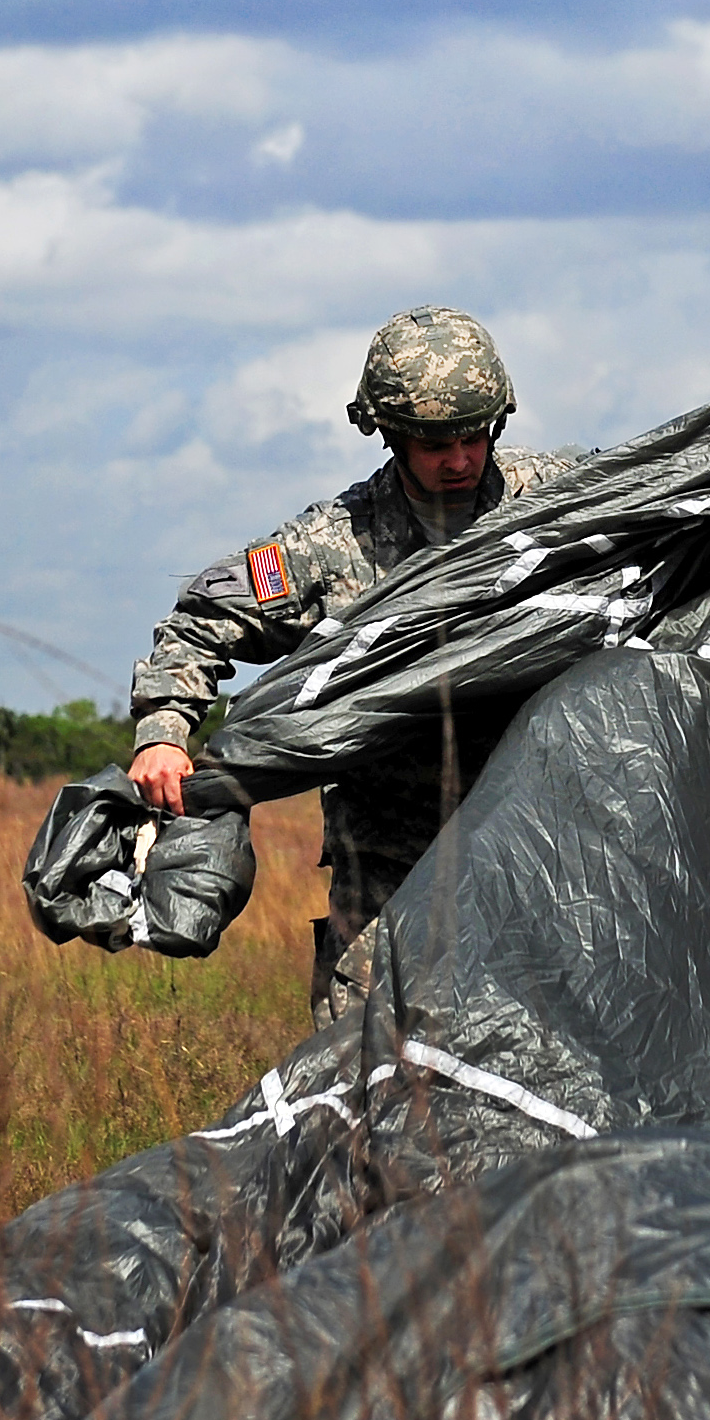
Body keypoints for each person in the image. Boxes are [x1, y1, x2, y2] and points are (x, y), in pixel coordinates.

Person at [129, 307, 586, 1013]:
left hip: (545, 852)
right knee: (364, 1077)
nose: (460, 459)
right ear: (388, 434)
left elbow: (696, 483)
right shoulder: (330, 545)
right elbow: (200, 621)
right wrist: (163, 727)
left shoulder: (560, 498)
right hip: (389, 866)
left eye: (474, 436)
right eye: (435, 443)